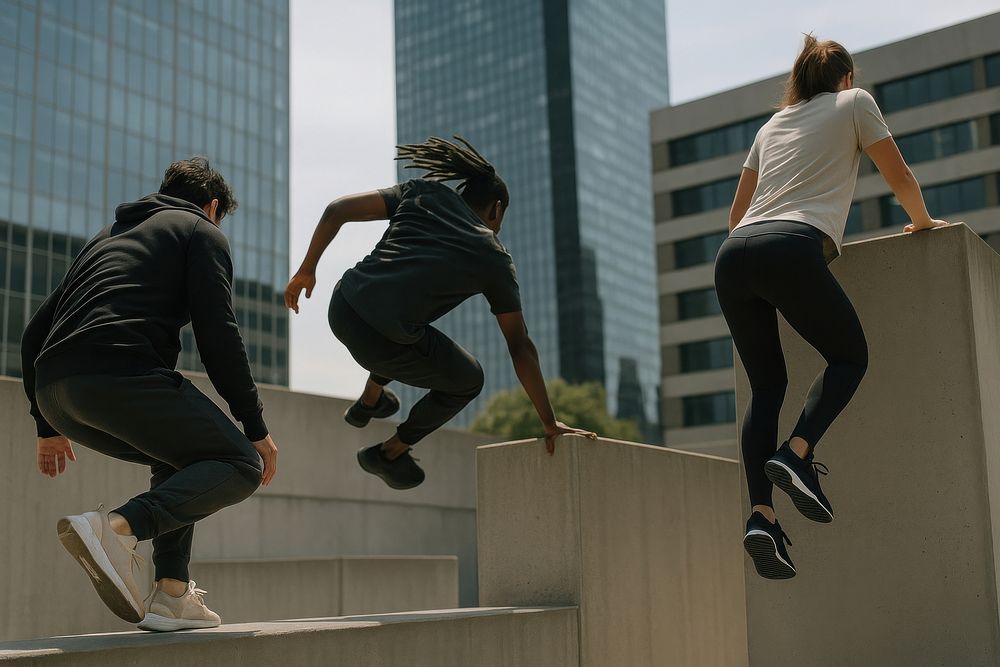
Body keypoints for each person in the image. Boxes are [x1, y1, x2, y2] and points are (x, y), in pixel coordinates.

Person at [715, 35, 953, 579]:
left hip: (733, 257)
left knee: (766, 387)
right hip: (793, 246)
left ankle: (761, 516)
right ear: (845, 77)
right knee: (849, 356)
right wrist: (920, 221)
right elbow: (897, 175)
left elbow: (736, 215)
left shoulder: (770, 126)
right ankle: (796, 453)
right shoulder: (856, 102)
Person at [21, 157, 279, 629]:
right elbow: (218, 333)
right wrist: (254, 426)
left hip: (57, 392)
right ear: (213, 206)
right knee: (240, 464)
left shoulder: (106, 238)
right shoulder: (201, 231)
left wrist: (45, 424)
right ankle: (117, 528)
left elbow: (35, 331)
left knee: (182, 456)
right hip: (118, 372)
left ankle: (173, 595)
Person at [285, 136, 595, 489]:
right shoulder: (492, 255)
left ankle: (370, 400)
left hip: (342, 307)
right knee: (467, 378)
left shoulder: (422, 192)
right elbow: (520, 345)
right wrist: (549, 421)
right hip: (383, 342)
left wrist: (306, 270)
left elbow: (336, 210)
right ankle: (389, 452)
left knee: (406, 316)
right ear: (496, 209)